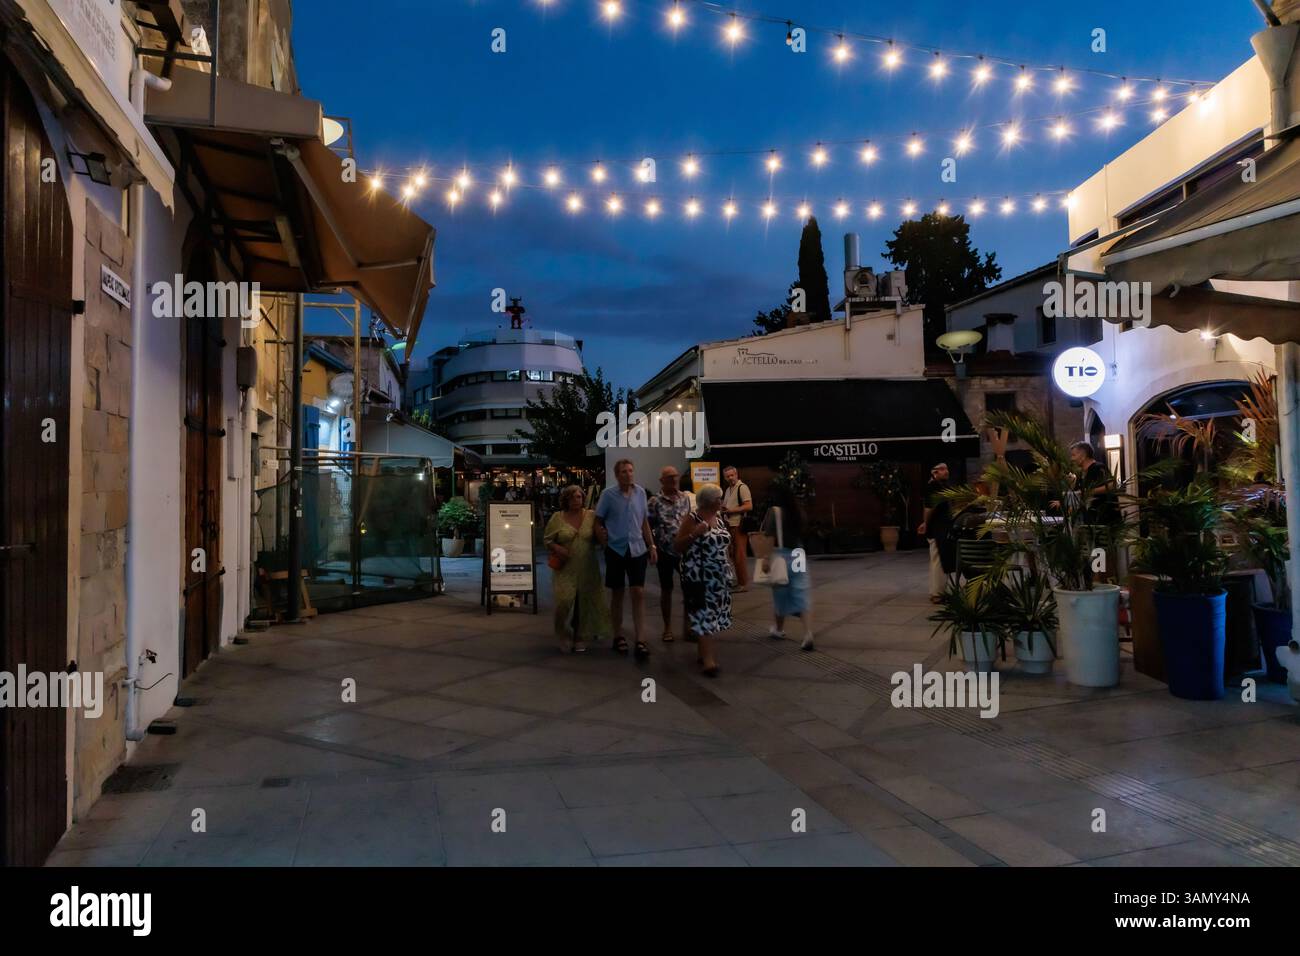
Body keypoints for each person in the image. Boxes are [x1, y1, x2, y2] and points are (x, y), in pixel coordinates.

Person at [594, 459, 657, 659]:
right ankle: (618, 635)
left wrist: (651, 545)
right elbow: (598, 521)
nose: (628, 474)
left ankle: (640, 639)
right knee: (618, 593)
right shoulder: (608, 495)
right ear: (617, 475)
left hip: (637, 548)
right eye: (623, 472)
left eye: (630, 470)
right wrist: (604, 542)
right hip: (616, 549)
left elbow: (644, 522)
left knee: (638, 592)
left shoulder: (640, 493)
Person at [543, 485, 611, 654]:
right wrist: (558, 548)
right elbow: (547, 539)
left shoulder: (590, 516)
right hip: (565, 567)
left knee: (584, 603)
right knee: (563, 601)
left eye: (579, 497)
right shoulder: (557, 517)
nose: (576, 500)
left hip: (587, 565)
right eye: (573, 497)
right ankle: (563, 632)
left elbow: (598, 537)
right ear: (566, 499)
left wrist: (605, 537)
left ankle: (579, 636)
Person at [675, 483, 732, 677]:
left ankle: (703, 653)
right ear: (709, 501)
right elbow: (678, 546)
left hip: (717, 578)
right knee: (704, 616)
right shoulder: (692, 519)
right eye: (718, 498)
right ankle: (709, 661)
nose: (721, 501)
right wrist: (695, 533)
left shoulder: (719, 518)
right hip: (699, 576)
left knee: (712, 616)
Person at [761, 484, 814, 650]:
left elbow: (769, 538)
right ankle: (808, 633)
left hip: (781, 556)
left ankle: (779, 629)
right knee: (801, 594)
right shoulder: (798, 512)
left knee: (780, 594)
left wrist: (765, 558)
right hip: (798, 554)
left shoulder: (774, 512)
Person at [647, 465, 692, 643]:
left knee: (689, 589)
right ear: (662, 481)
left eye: (675, 476)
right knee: (666, 590)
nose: (674, 480)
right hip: (665, 551)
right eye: (669, 477)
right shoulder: (654, 501)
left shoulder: (685, 498)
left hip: (684, 550)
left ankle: (688, 627)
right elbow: (648, 525)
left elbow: (689, 520)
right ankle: (667, 628)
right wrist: (651, 546)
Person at [918, 463, 953, 602]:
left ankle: (939, 591)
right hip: (937, 528)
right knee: (938, 559)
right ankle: (937, 593)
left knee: (940, 559)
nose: (946, 471)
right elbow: (929, 508)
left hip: (942, 527)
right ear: (934, 473)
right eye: (942, 469)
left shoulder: (941, 486)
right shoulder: (933, 487)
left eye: (947, 468)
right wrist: (925, 523)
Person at [721, 465, 753, 591]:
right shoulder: (729, 489)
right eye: (727, 476)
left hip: (739, 524)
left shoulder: (742, 487)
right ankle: (740, 581)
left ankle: (743, 584)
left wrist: (731, 510)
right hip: (730, 525)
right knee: (733, 555)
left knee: (739, 555)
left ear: (736, 474)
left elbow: (749, 506)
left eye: (732, 475)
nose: (730, 478)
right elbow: (727, 505)